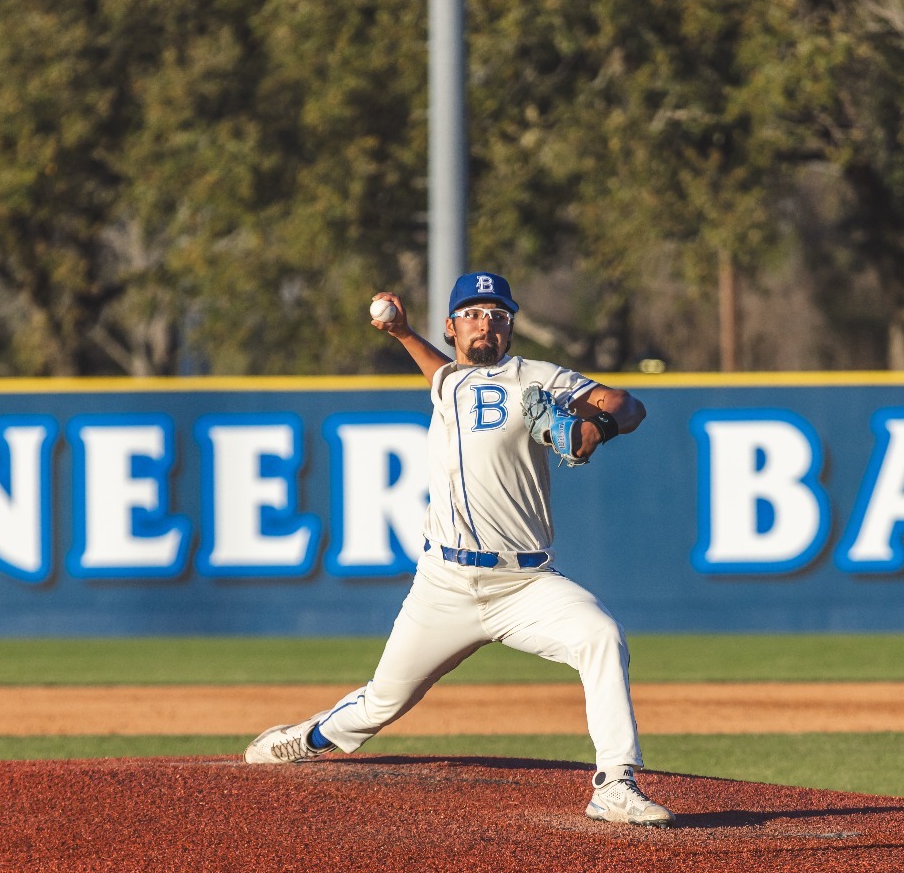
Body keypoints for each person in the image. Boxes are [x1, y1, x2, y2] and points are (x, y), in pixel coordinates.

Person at [245, 271, 671, 825]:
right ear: (451, 327)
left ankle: (615, 782)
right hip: (444, 585)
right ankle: (309, 738)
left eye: (498, 315)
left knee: (601, 636)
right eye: (472, 314)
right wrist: (400, 333)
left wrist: (598, 427)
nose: (486, 324)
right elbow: (440, 372)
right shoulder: (447, 382)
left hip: (525, 584)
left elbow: (627, 403)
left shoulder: (537, 377)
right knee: (382, 702)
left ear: (510, 326)